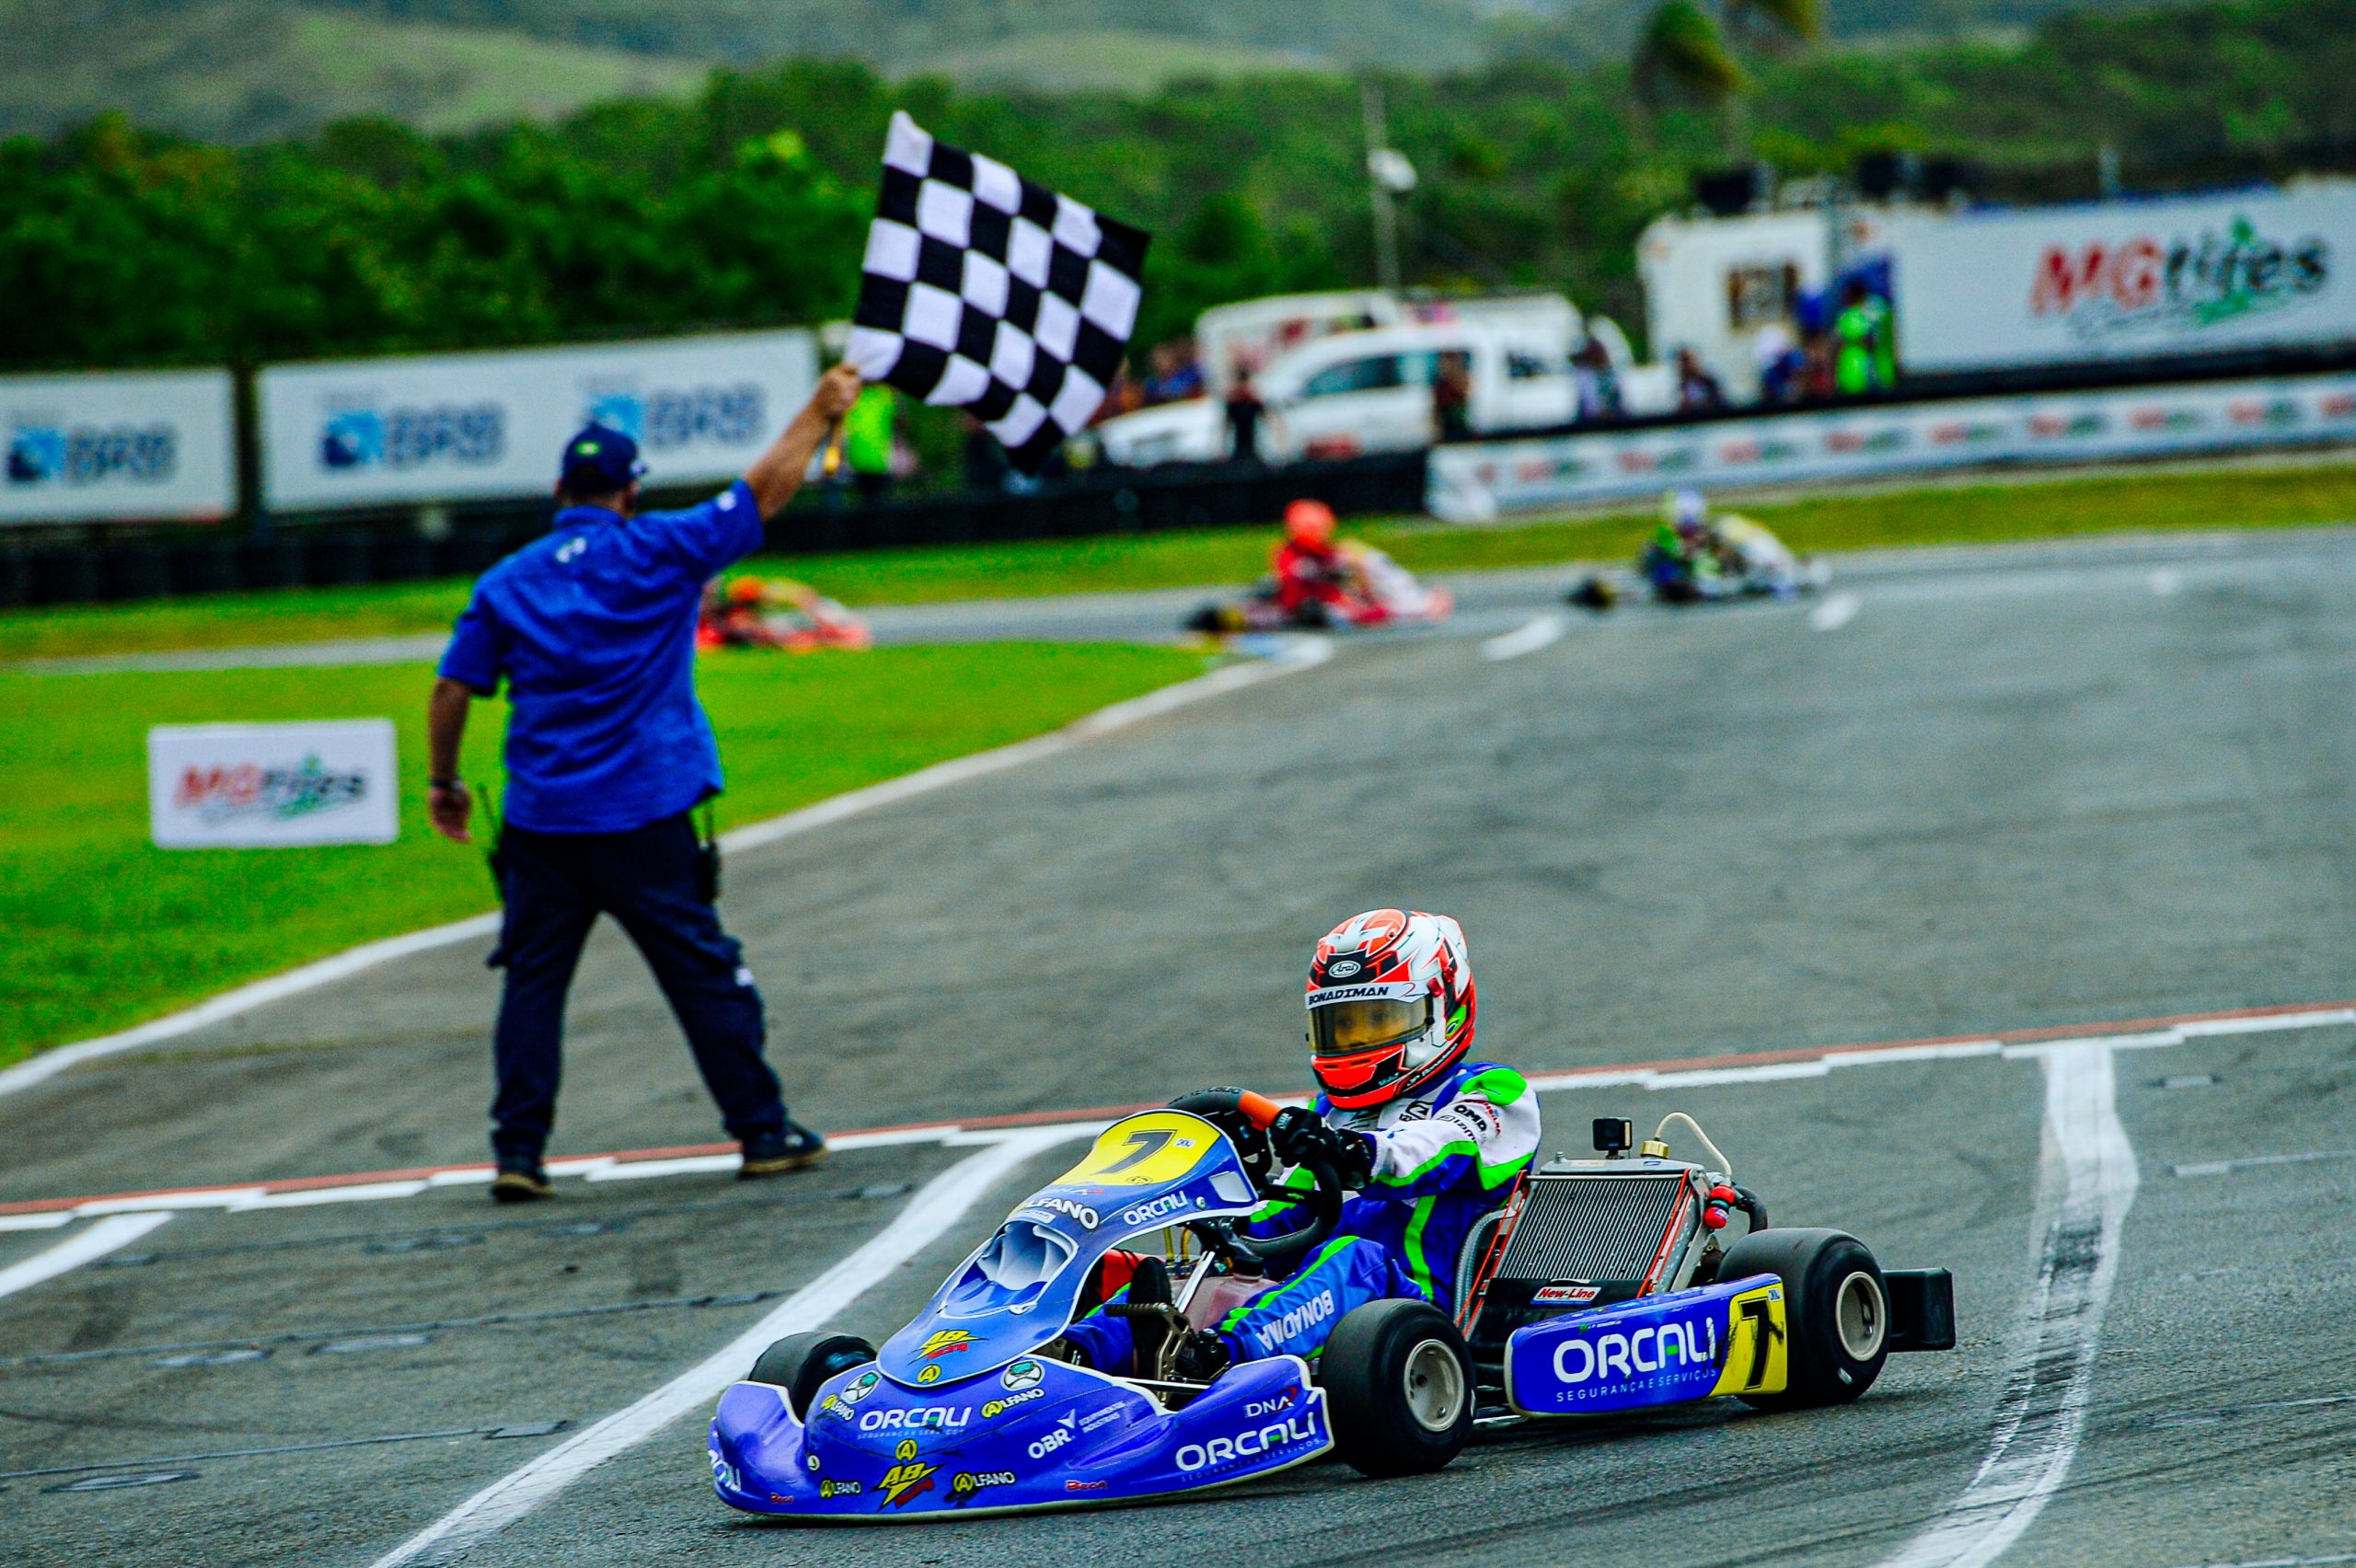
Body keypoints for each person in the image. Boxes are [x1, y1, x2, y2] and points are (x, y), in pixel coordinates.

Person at [426, 361, 865, 1203]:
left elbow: (453, 688)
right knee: (703, 974)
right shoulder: (661, 548)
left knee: (532, 986)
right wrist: (817, 409)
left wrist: (444, 781)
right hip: (647, 815)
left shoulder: (508, 580)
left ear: (562, 490)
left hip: (544, 822)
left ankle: (519, 1152)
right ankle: (763, 1130)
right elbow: (763, 494)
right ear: (629, 490)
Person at [1055, 907, 1540, 1380]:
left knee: (1354, 1256)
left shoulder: (1493, 1093)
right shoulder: (1330, 1114)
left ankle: (1211, 1360)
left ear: (1444, 1009)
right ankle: (1069, 1357)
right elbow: (1287, 1221)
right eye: (1344, 1025)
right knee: (1190, 1269)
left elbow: (1437, 1148)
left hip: (1412, 1307)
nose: (1358, 1040)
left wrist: (1354, 1153)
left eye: (1378, 1020)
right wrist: (1224, 1222)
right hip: (1308, 1298)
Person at [1225, 370, 1265, 463]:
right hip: (1237, 446)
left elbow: (1267, 419)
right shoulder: (1233, 403)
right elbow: (1226, 425)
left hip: (1253, 445)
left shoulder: (1254, 402)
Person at [1675, 347, 1726, 412]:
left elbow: (1719, 403)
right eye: (1682, 361)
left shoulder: (1708, 383)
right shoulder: (1681, 386)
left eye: (1687, 360)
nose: (1685, 365)